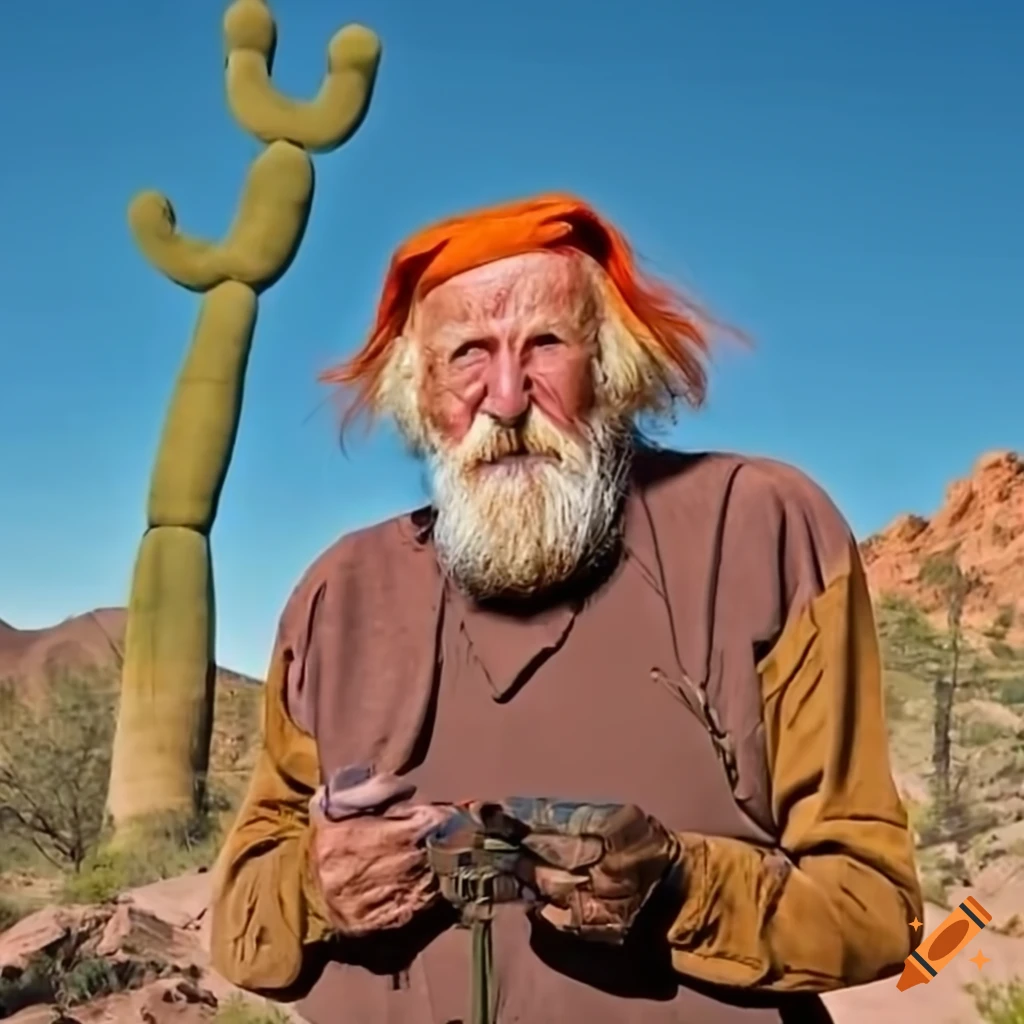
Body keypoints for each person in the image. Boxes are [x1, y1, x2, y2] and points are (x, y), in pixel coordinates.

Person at [209, 194, 923, 1023]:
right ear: (419, 392)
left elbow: (877, 909)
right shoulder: (339, 593)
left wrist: (678, 887)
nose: (506, 397)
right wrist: (313, 884)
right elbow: (240, 928)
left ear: (610, 363)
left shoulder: (759, 530)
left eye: (546, 343)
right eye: (467, 354)